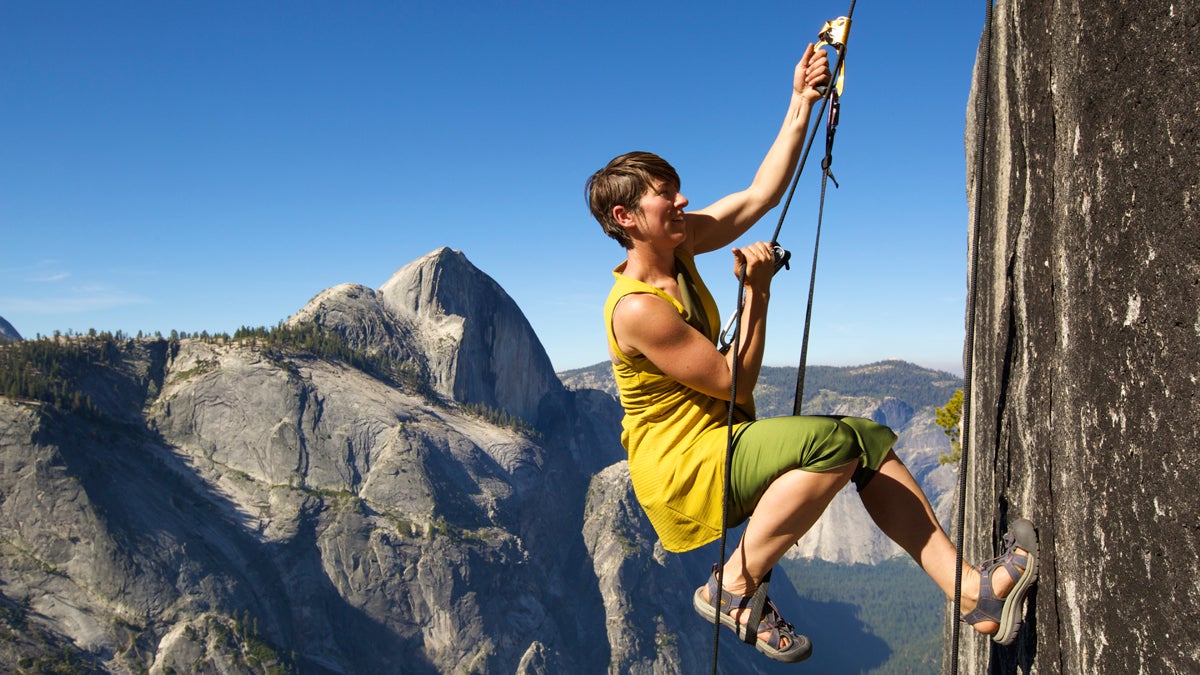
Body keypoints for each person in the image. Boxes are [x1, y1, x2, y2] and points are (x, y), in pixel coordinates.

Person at [585, 43, 1037, 663]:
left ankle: (972, 593)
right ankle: (733, 585)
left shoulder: (680, 250)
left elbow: (760, 195)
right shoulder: (636, 308)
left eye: (679, 190)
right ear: (626, 216)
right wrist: (757, 291)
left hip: (720, 444)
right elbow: (735, 383)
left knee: (868, 439)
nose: (683, 202)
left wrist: (800, 100)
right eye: (667, 194)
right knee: (833, 444)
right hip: (684, 469)